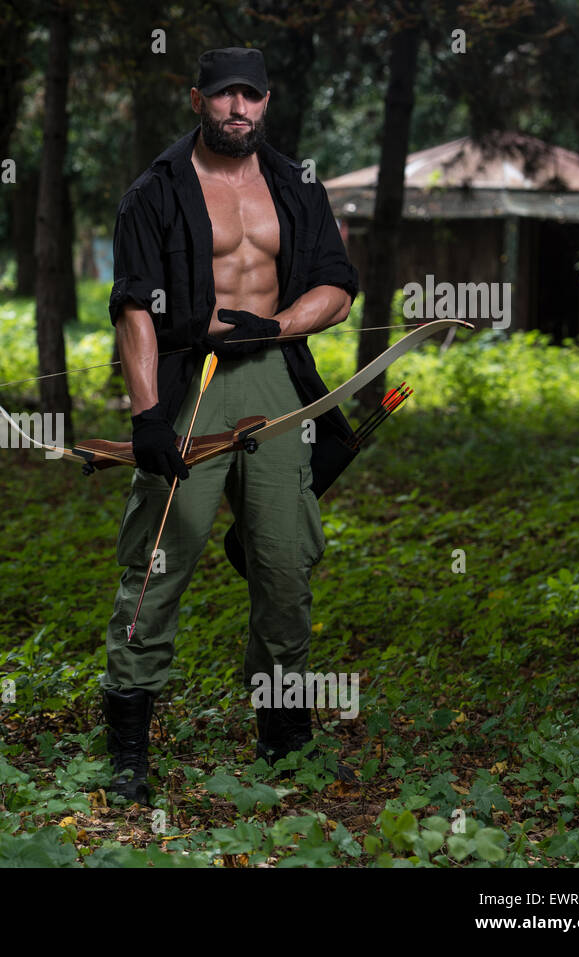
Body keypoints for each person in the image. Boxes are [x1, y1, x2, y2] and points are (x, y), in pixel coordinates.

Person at [100, 47, 360, 805]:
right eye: (223, 96)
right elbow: (134, 310)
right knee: (159, 556)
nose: (237, 108)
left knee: (285, 560)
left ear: (266, 101)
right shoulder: (154, 191)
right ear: (197, 100)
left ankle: (285, 742)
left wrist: (273, 326)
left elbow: (337, 288)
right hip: (193, 379)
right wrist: (149, 415)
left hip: (276, 378)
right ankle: (127, 753)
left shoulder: (294, 183)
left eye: (250, 96)